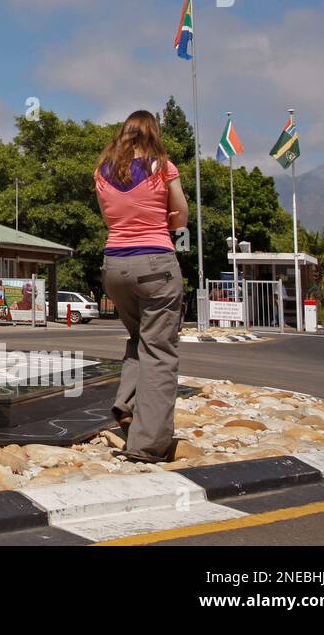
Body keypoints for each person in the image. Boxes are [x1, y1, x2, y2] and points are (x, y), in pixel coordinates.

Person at [94, 110, 190, 463]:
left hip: (115, 266)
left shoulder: (102, 171)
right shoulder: (162, 165)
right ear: (153, 133)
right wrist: (162, 216)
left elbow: (111, 218)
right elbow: (181, 214)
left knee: (139, 339)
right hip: (155, 264)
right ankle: (147, 445)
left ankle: (127, 405)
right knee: (161, 352)